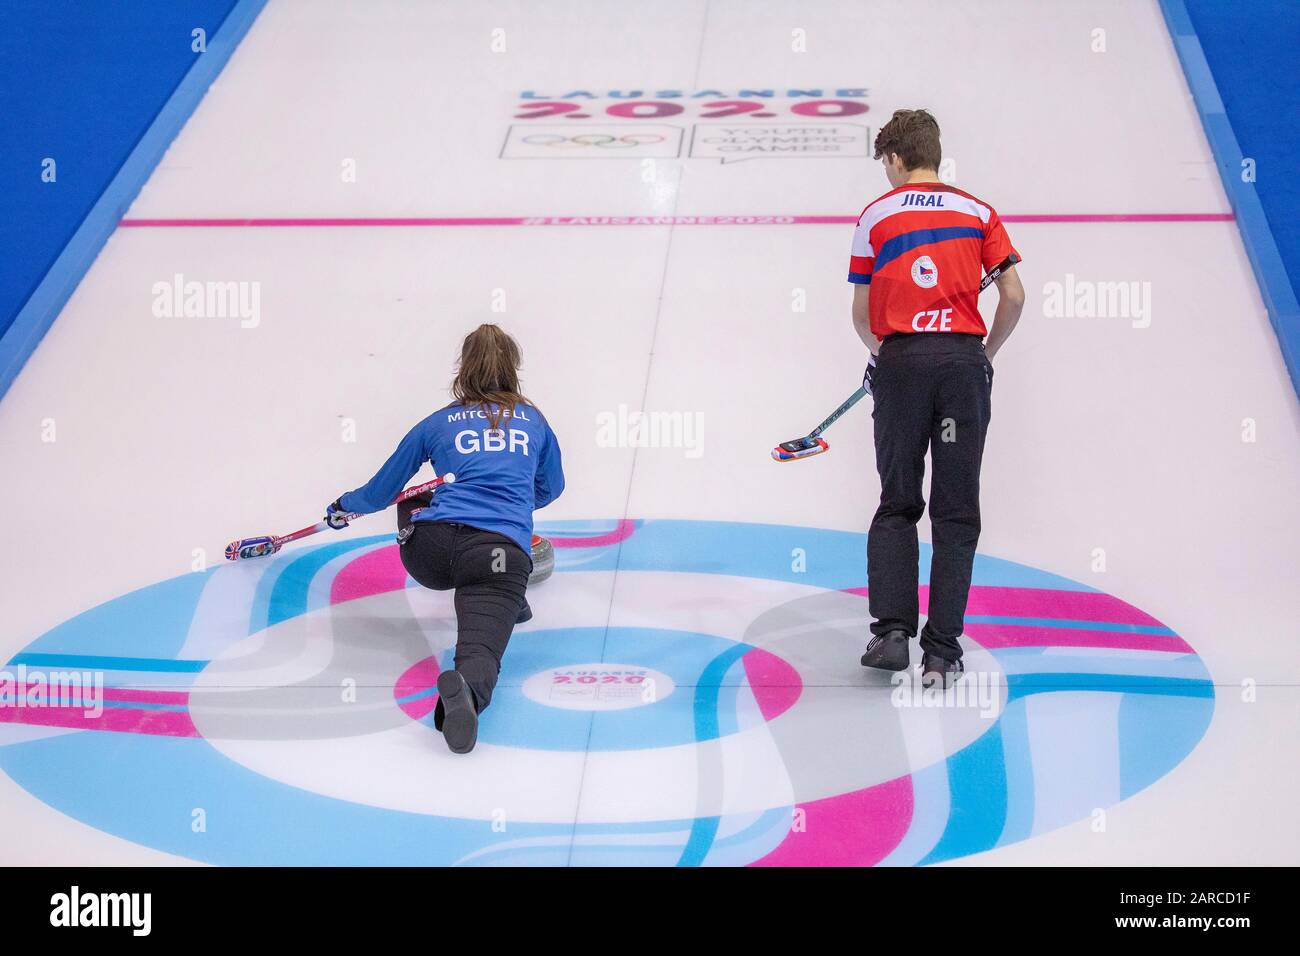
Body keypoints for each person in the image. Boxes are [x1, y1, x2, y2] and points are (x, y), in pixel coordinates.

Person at [848, 109, 1025, 688]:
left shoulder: (876, 215)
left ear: (897, 158)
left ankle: (892, 633)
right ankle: (943, 651)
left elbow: (861, 315)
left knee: (897, 502)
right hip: (961, 370)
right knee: (956, 510)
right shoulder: (979, 212)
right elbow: (1014, 296)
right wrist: (983, 354)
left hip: (902, 367)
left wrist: (884, 358)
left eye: (885, 164)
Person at [326, 324, 564, 753]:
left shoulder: (437, 423)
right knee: (480, 650)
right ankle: (466, 692)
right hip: (496, 556)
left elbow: (380, 493)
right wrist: (514, 503)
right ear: (513, 368)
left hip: (431, 551)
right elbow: (551, 488)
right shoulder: (534, 421)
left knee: (416, 495)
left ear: (463, 368)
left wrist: (344, 506)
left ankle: (512, 602)